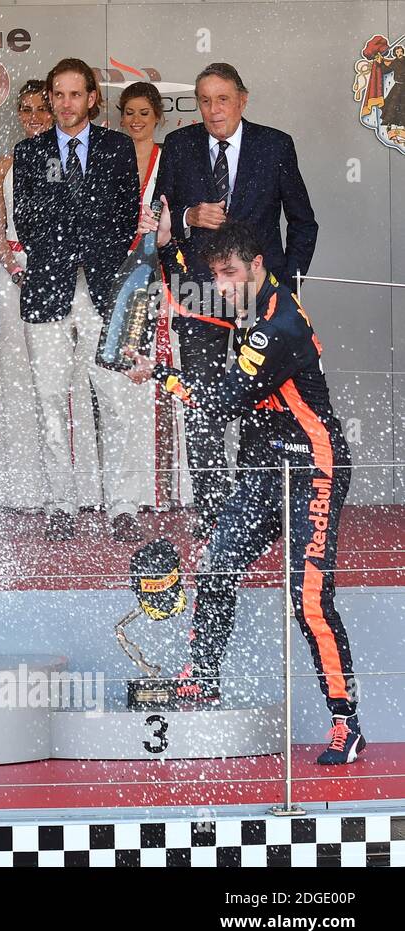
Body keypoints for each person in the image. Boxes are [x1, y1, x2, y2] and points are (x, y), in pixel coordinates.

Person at [124, 214, 362, 766]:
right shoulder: (250, 300)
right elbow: (188, 303)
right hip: (262, 468)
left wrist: (161, 376)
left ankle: (346, 723)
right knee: (215, 563)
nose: (224, 285)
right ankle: (203, 678)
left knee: (309, 600)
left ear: (258, 265)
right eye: (218, 275)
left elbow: (223, 403)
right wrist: (164, 252)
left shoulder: (275, 325)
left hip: (313, 469)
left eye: (231, 273)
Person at [153, 63, 318, 537]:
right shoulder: (181, 146)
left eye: (223, 99)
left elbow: (303, 222)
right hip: (198, 293)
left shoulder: (275, 145)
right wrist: (188, 215)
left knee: (262, 403)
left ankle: (256, 508)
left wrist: (284, 289)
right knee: (203, 404)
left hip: (259, 299)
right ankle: (211, 515)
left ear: (242, 100)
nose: (213, 109)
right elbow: (159, 216)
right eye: (205, 100)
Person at [13, 57, 145, 542]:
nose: (65, 104)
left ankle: (124, 505)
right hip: (48, 291)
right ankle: (61, 503)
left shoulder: (116, 148)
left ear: (92, 98)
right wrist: (68, 254)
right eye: (58, 94)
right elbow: (27, 223)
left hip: (105, 292)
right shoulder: (29, 154)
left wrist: (87, 254)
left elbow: (125, 216)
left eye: (75, 94)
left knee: (113, 399)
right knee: (51, 402)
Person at [0, 80, 57, 510]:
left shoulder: (70, 159)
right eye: (26, 109)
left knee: (53, 379)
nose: (34, 117)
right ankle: (17, 486)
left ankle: (61, 486)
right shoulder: (3, 165)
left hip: (60, 277)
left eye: (42, 108)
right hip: (13, 275)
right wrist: (12, 266)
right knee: (15, 376)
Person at [119, 81, 189, 510]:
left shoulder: (171, 159)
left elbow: (184, 216)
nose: (136, 120)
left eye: (144, 112)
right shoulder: (109, 155)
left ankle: (171, 487)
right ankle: (132, 489)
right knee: (126, 378)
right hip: (119, 279)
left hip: (162, 278)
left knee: (165, 371)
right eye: (129, 112)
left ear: (158, 116)